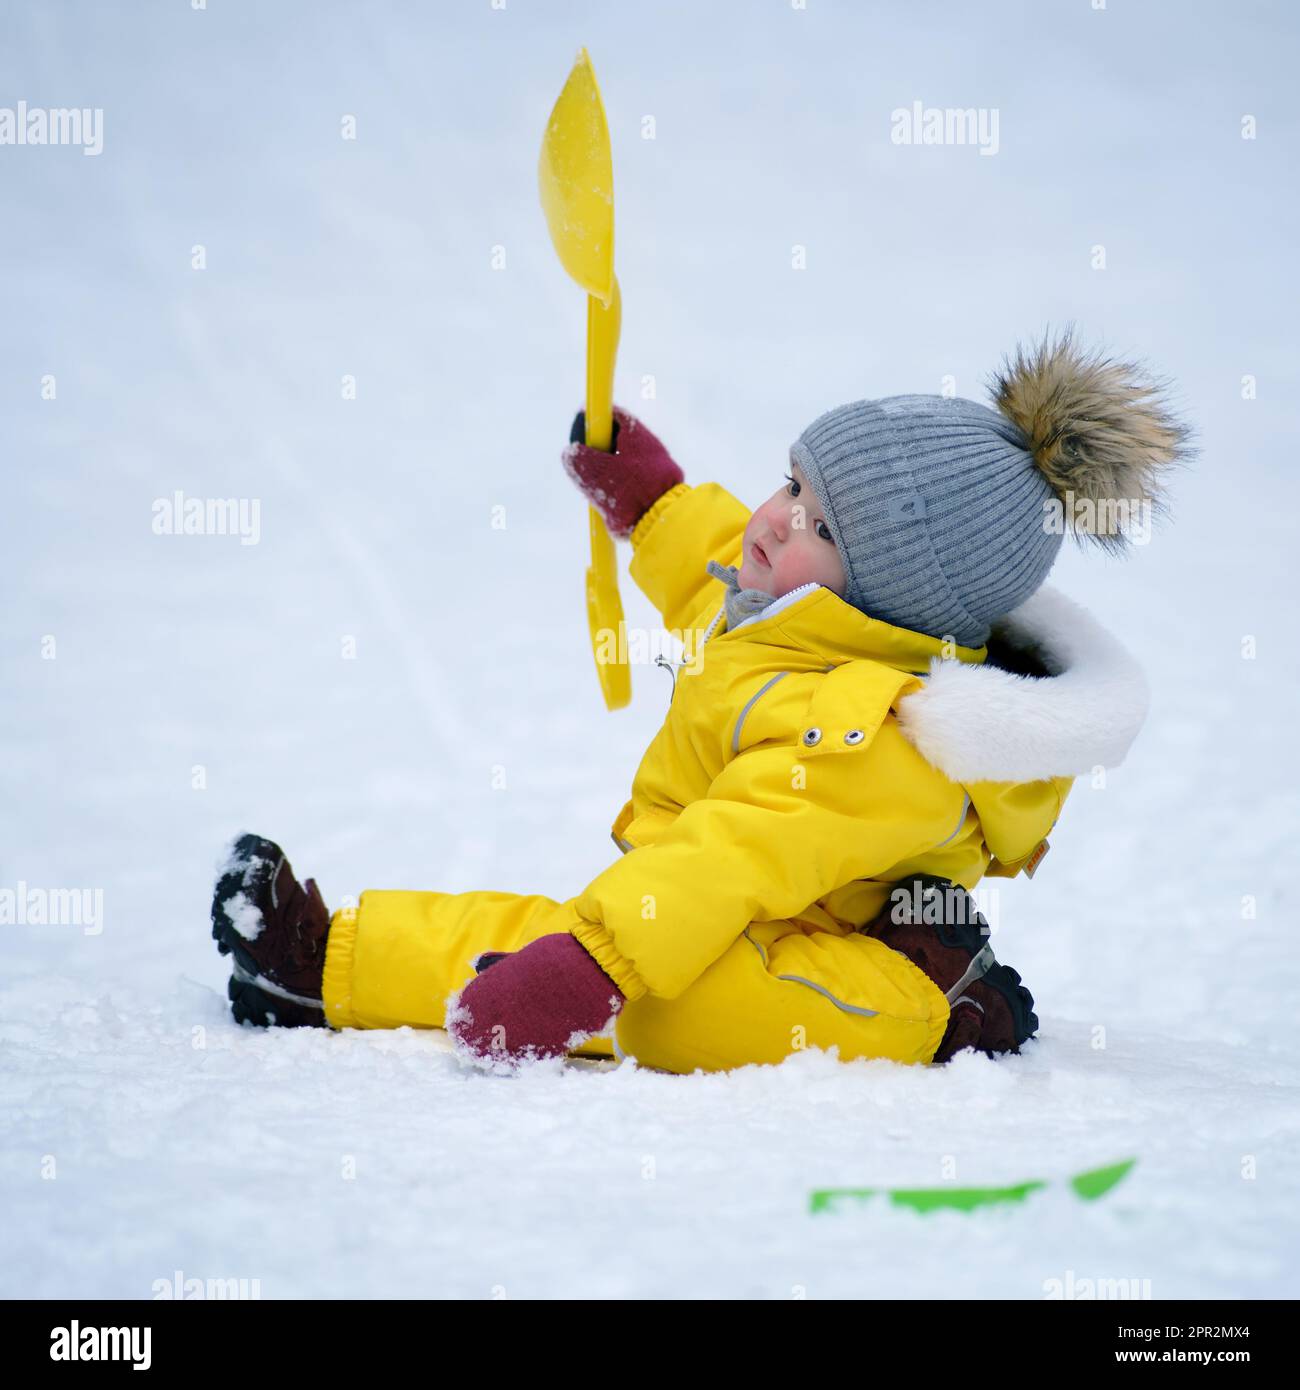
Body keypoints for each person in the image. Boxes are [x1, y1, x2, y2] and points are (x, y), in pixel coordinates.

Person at [209, 328, 1190, 1073]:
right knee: (595, 941)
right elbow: (713, 564)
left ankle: (950, 1006)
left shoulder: (881, 740)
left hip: (860, 956)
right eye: (791, 482)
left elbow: (730, 853)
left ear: (893, 596)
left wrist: (595, 970)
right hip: (755, 906)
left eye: (821, 526)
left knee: (669, 1002)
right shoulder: (792, 611)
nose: (777, 520)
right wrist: (653, 501)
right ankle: (329, 958)